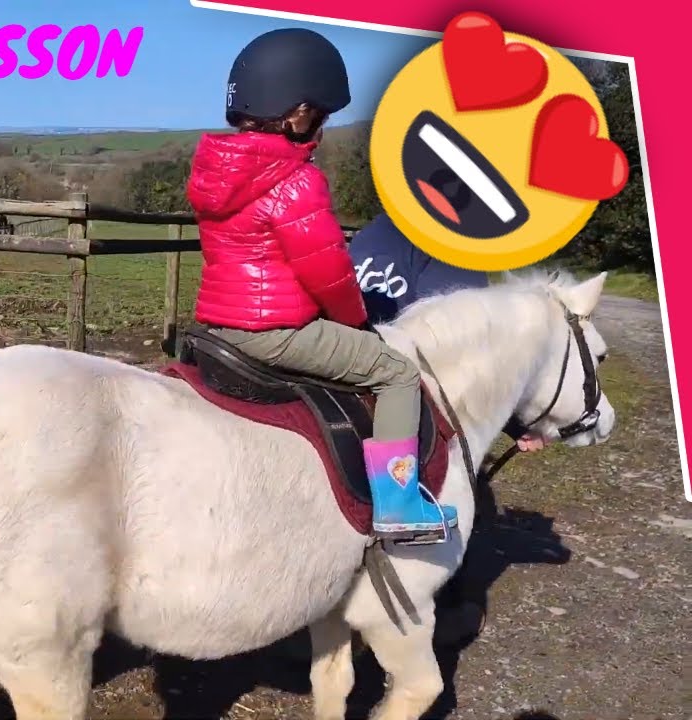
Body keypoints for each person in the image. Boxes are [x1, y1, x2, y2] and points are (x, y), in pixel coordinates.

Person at [186, 28, 457, 544]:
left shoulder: (216, 171)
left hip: (219, 324)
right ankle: (399, 508)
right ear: (297, 112)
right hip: (275, 330)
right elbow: (327, 271)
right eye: (321, 115)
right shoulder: (296, 179)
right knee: (395, 372)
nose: (323, 127)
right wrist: (356, 323)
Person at [348, 211, 548, 644]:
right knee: (453, 485)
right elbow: (464, 356)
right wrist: (517, 422)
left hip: (340, 368)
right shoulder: (456, 248)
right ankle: (445, 603)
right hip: (396, 383)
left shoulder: (373, 230)